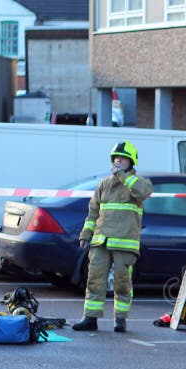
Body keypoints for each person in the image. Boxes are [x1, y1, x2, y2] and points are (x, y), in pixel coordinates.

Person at [72, 141, 153, 333]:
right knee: (94, 280)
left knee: (122, 283)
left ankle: (120, 320)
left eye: (122, 158)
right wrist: (86, 234)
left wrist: (124, 176)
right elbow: (93, 212)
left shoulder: (138, 183)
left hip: (124, 244)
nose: (117, 161)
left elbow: (144, 192)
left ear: (131, 162)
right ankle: (90, 318)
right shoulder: (104, 185)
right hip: (101, 241)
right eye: (116, 158)